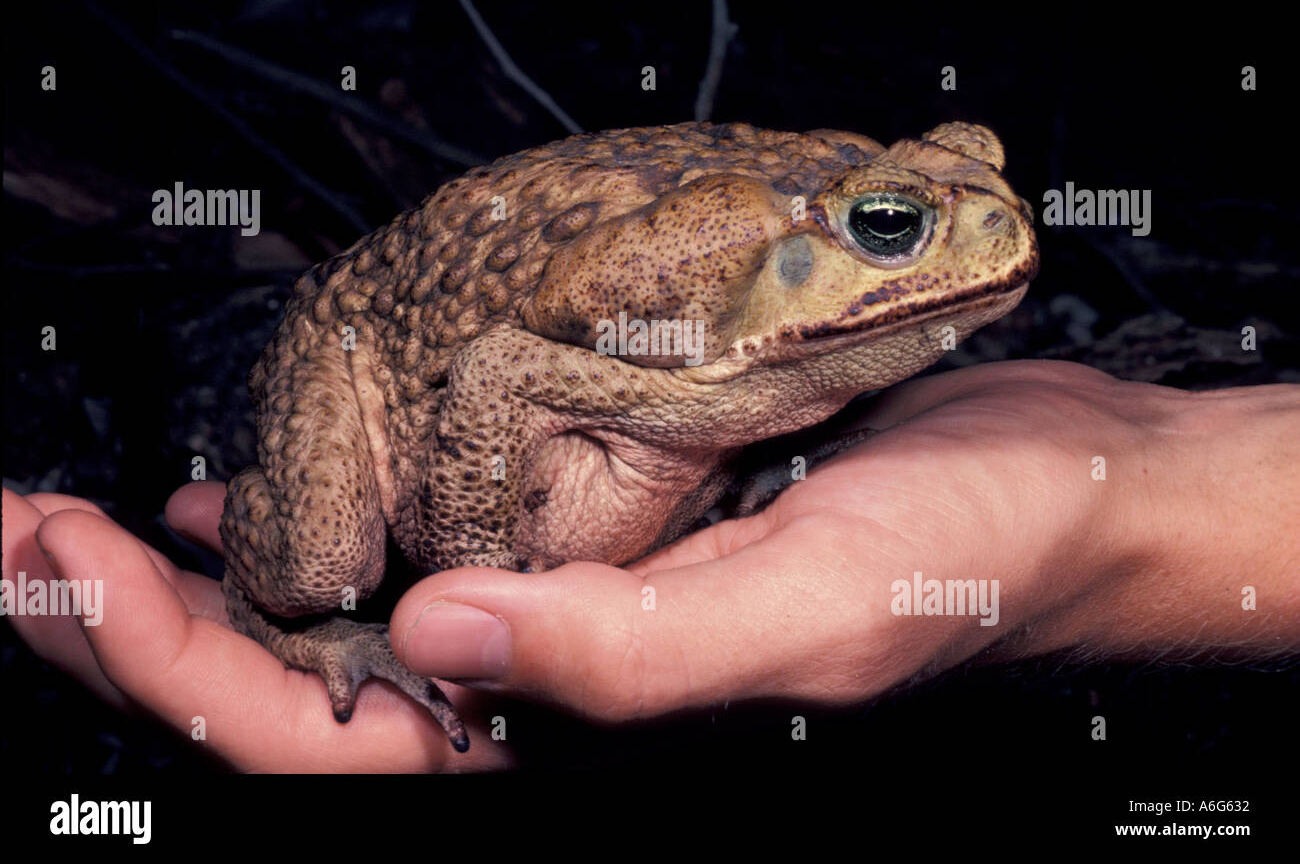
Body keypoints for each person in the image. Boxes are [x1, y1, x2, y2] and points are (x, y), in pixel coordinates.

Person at [5, 360, 1298, 772]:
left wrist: (1144, 467)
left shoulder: (734, 366)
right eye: (892, 226)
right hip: (374, 377)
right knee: (324, 552)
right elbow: (505, 366)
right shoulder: (657, 333)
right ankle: (299, 615)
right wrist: (456, 569)